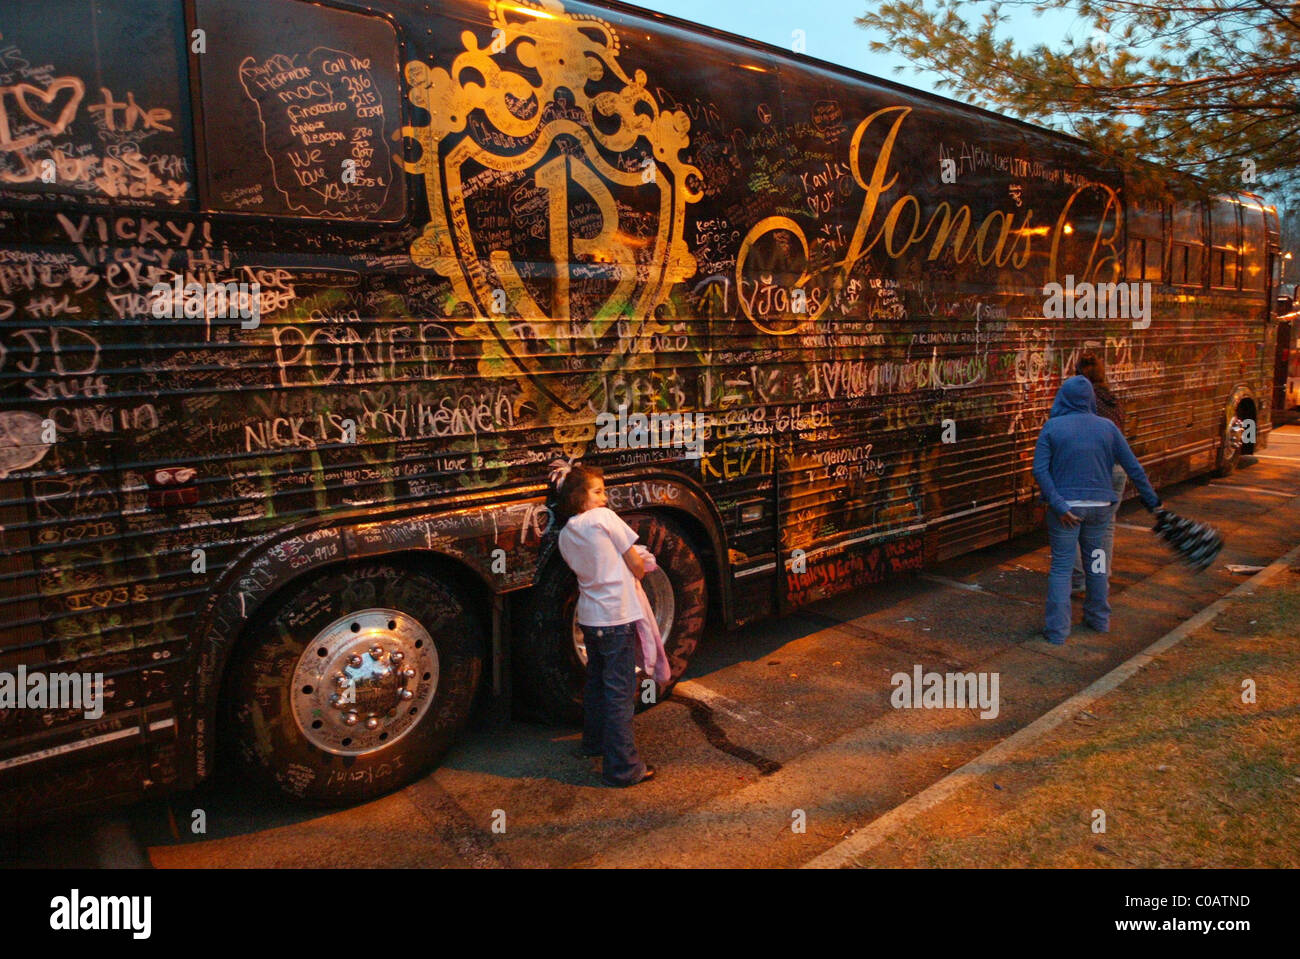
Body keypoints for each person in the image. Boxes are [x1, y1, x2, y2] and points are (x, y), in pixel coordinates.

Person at [1032, 376, 1161, 645]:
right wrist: (1153, 502)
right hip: (1101, 510)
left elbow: (1040, 470)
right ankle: (1098, 620)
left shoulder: (1052, 427)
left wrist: (1058, 504)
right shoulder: (1108, 428)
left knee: (1062, 569)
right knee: (1098, 565)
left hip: (1065, 510)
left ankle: (1057, 632)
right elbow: (1133, 467)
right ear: (1090, 398)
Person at [551, 461, 656, 787]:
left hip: (591, 619)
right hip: (617, 617)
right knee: (619, 692)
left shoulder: (566, 534)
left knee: (596, 683)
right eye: (598, 491)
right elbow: (634, 561)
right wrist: (639, 570)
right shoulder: (604, 519)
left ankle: (593, 742)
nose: (605, 497)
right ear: (579, 497)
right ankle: (623, 767)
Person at [1069, 352, 1129, 595]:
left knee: (1070, 523)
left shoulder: (1081, 404)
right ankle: (1099, 581)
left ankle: (1078, 579)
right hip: (1115, 471)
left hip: (1089, 472)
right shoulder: (1114, 401)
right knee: (1104, 528)